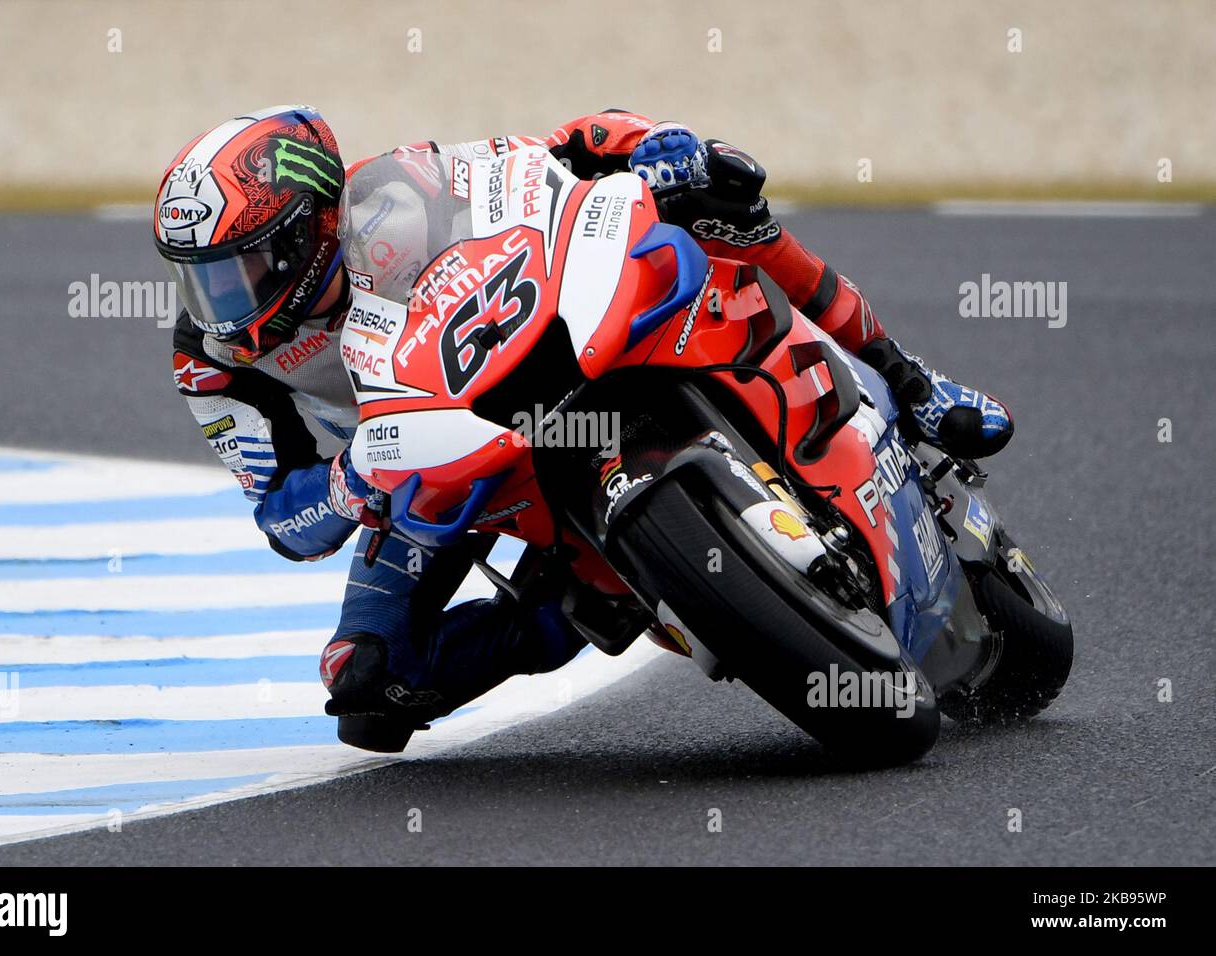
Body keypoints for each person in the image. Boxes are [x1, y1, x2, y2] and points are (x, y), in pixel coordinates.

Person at [154, 105, 1013, 751]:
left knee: (718, 190)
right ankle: (588, 598)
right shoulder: (212, 360)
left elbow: (550, 157)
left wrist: (650, 143)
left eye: (242, 267)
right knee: (368, 690)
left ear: (315, 224)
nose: (225, 302)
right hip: (425, 474)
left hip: (525, 356)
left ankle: (907, 374)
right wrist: (354, 480)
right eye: (204, 280)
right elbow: (282, 518)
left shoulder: (395, 195)